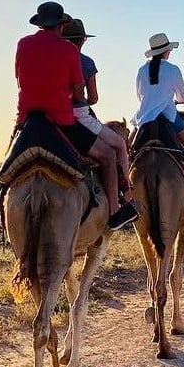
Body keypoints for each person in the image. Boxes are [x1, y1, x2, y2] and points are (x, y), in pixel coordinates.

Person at [15, 2, 137, 230]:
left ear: (40, 23)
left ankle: (3, 214)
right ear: (60, 25)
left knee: (9, 168)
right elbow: (81, 95)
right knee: (109, 155)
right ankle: (114, 213)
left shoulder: (23, 44)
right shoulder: (70, 51)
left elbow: (19, 78)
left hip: (28, 120)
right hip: (62, 120)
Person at [60, 18, 137, 225]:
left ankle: (2, 205)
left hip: (49, 114)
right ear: (83, 40)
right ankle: (122, 202)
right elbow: (92, 99)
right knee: (118, 146)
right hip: (79, 117)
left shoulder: (52, 58)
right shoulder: (86, 62)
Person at [132, 34, 184, 193]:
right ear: (166, 51)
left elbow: (139, 96)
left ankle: (123, 185)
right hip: (169, 116)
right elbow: (183, 97)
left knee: (129, 150)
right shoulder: (173, 69)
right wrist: (173, 101)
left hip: (144, 118)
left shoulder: (141, 70)